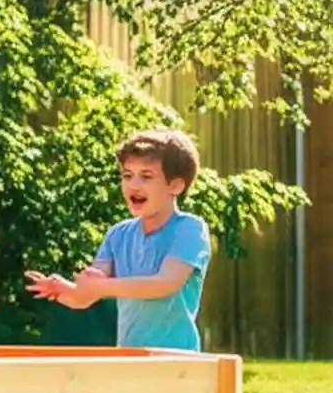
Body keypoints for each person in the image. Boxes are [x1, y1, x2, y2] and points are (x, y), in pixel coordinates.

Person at [25, 128, 211, 351]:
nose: (134, 185)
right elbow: (88, 295)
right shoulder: (118, 235)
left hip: (178, 361)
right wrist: (65, 291)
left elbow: (164, 283)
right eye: (127, 175)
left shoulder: (190, 229)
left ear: (176, 186)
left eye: (146, 176)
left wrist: (101, 286)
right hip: (128, 357)